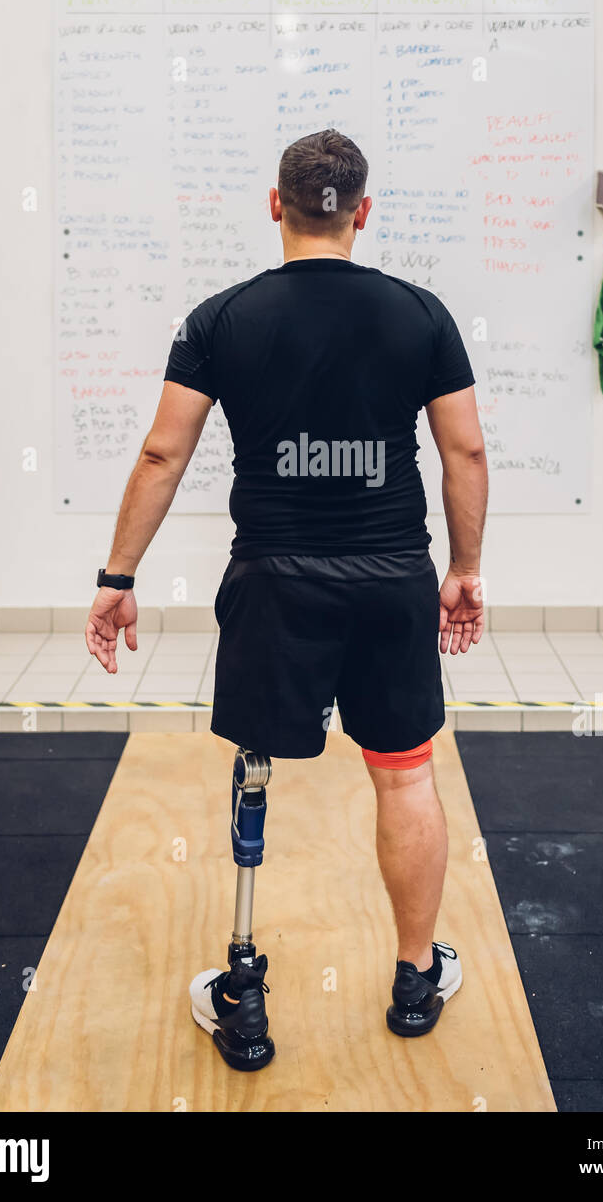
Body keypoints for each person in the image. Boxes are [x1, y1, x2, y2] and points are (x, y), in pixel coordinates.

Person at [85, 129, 488, 1055]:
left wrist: (118, 577)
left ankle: (243, 987)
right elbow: (463, 451)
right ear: (362, 211)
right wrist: (463, 571)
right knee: (406, 770)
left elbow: (163, 452)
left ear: (277, 204)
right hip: (391, 577)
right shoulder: (421, 314)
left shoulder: (221, 318)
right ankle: (417, 977)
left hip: (275, 582)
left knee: (256, 763)